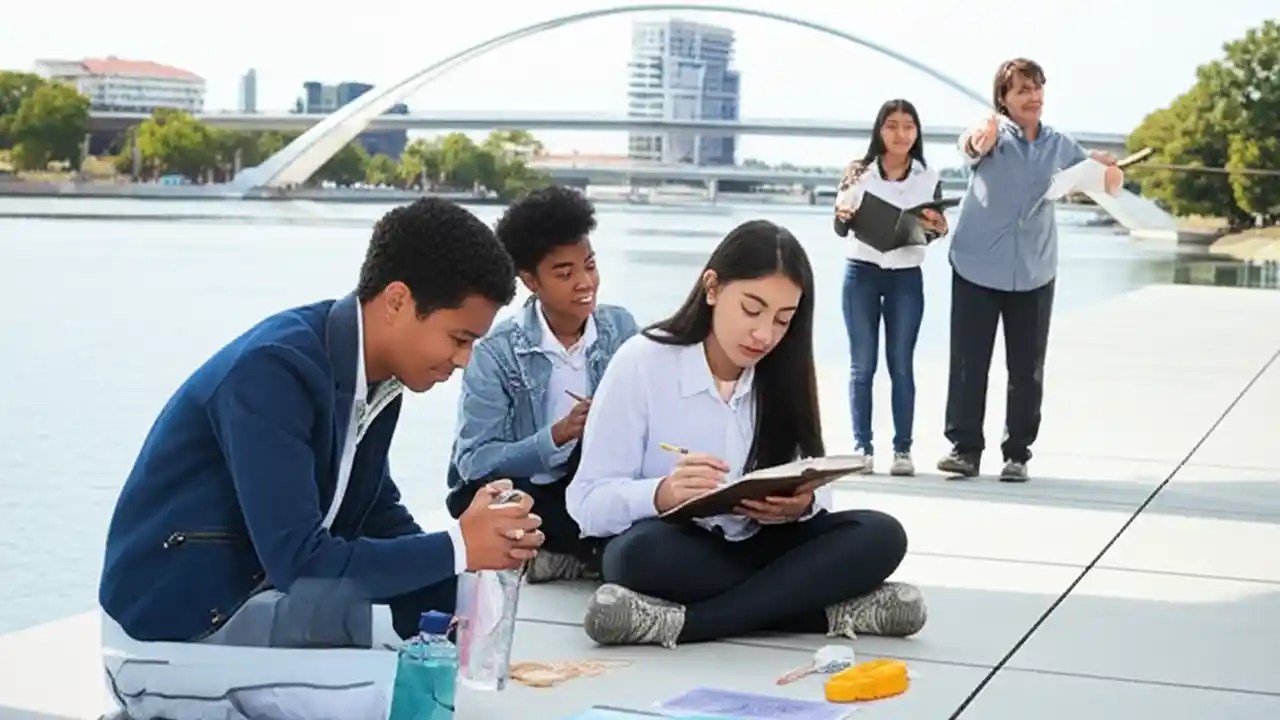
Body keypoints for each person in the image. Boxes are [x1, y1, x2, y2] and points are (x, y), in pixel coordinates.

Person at [98, 198, 546, 649]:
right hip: (171, 632)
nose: (465, 360)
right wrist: (459, 546)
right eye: (459, 338)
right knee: (383, 688)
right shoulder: (273, 371)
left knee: (432, 642)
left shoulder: (375, 377)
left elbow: (375, 514)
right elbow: (301, 562)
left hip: (260, 601)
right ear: (397, 301)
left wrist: (476, 560)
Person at [564, 219, 926, 648]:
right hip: (684, 548)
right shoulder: (643, 361)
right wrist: (661, 494)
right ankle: (823, 610)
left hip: (764, 544)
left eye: (783, 320)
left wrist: (801, 504)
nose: (764, 335)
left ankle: (689, 624)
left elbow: (815, 479)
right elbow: (586, 503)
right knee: (634, 556)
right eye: (752, 310)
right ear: (712, 288)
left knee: (881, 535)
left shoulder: (784, 370)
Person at [940, 58, 1123, 482]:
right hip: (977, 265)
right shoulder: (992, 134)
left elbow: (1104, 183)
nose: (1033, 96)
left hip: (1035, 269)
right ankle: (964, 449)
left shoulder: (1059, 144)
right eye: (1022, 89)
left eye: (1037, 87)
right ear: (1003, 98)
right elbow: (969, 147)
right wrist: (978, 137)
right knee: (969, 363)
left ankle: (1017, 453)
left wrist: (1106, 169)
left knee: (1026, 367)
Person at [446, 186, 638, 583]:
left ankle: (568, 555)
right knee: (494, 499)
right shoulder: (495, 352)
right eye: (565, 274)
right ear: (531, 281)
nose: (585, 282)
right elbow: (473, 461)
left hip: (590, 484)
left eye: (590, 265)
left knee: (633, 510)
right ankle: (584, 553)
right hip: (530, 491)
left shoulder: (621, 330)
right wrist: (556, 435)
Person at [833, 98, 949, 477]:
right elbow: (839, 226)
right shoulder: (858, 171)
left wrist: (937, 228)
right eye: (892, 125)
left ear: (917, 133)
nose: (901, 134)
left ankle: (902, 450)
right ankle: (861, 447)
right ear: (879, 131)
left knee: (901, 364)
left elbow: (930, 232)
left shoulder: (928, 176)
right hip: (861, 273)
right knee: (861, 366)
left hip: (905, 278)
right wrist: (843, 215)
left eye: (908, 126)